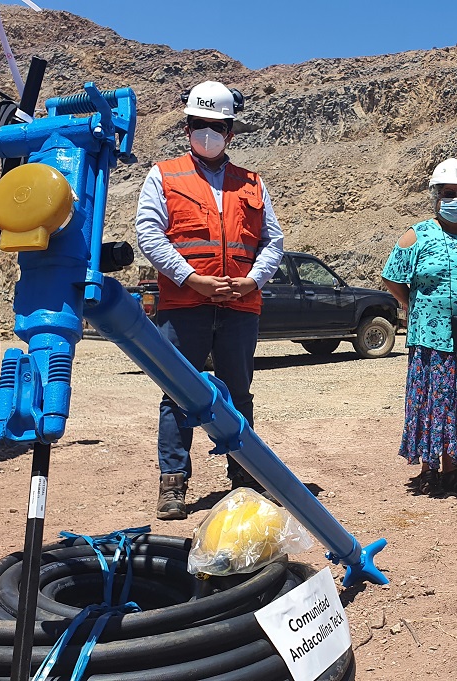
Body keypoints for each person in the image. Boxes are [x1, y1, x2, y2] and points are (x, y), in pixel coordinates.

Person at [135, 81, 285, 520]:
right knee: (177, 394)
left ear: (230, 132)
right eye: (199, 124)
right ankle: (173, 485)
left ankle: (245, 476)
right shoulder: (163, 175)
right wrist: (192, 279)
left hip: (240, 307)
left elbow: (272, 242)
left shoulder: (252, 183)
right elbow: (149, 234)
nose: (207, 132)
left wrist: (252, 282)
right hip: (185, 306)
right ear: (186, 128)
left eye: (216, 126)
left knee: (238, 394)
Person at [381, 158, 457, 498]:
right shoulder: (417, 235)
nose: (456, 199)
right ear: (436, 196)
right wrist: (412, 305)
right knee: (434, 402)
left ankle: (453, 469)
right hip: (430, 339)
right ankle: (429, 469)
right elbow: (392, 276)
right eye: (449, 192)